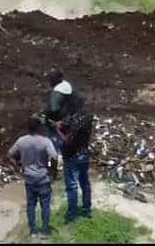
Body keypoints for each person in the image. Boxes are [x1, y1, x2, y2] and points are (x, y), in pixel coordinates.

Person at [8, 116, 59, 238]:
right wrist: (53, 172)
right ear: (39, 127)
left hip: (29, 178)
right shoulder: (45, 141)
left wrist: (18, 168)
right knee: (45, 205)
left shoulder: (21, 141)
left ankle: (33, 231)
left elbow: (10, 155)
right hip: (43, 178)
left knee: (31, 205)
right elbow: (54, 157)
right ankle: (45, 230)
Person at [54, 93, 94, 223]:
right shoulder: (87, 116)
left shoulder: (74, 121)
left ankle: (72, 215)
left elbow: (68, 141)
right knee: (85, 183)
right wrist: (63, 124)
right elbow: (69, 123)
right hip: (84, 154)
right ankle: (87, 209)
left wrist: (57, 130)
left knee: (72, 186)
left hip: (72, 156)